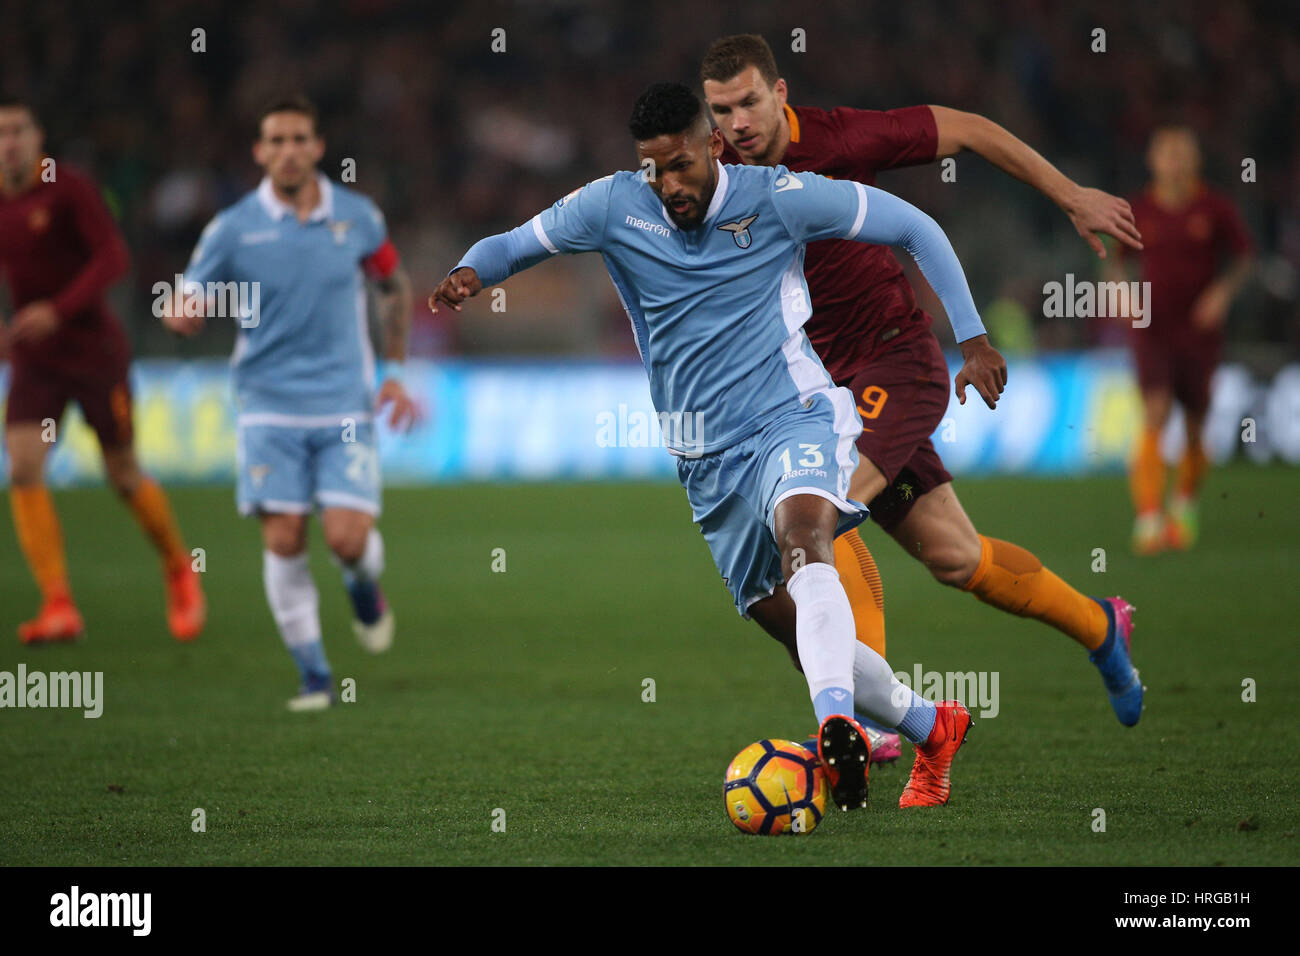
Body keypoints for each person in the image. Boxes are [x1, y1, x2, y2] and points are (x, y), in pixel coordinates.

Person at [431, 83, 997, 809]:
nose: (668, 185)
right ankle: (933, 723)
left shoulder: (780, 196)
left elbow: (914, 226)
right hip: (705, 461)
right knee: (791, 628)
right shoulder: (612, 204)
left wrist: (973, 335)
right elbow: (514, 244)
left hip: (790, 417)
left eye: (680, 166)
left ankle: (833, 727)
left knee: (805, 537)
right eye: (653, 169)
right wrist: (473, 272)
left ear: (711, 146)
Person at [699, 34, 1144, 733]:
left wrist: (1069, 196)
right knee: (956, 557)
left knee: (818, 509)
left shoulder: (843, 139)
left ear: (779, 95)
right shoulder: (713, 175)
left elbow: (966, 129)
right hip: (817, 393)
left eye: (750, 102)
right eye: (721, 111)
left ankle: (871, 724)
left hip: (892, 362)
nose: (738, 124)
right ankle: (1099, 626)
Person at [164, 95, 416, 710]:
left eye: (299, 138)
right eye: (275, 140)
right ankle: (314, 677)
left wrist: (396, 371)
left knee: (348, 541)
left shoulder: (357, 216)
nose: (287, 151)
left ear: (318, 147)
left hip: (345, 407)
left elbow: (393, 285)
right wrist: (182, 310)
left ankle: (364, 588)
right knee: (283, 539)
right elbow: (188, 291)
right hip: (266, 405)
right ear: (259, 152)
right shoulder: (231, 227)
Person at [0, 94, 205, 644]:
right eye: (1, 133)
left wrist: (57, 310)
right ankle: (58, 604)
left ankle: (178, 568)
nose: (10, 142)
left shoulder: (67, 188)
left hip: (94, 355)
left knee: (123, 475)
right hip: (36, 362)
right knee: (23, 467)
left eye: (19, 129)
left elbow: (114, 256)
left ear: (38, 137)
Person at [1113, 125, 1253, 554]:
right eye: (1166, 153)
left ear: (1195, 161)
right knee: (1154, 414)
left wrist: (1221, 294)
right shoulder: (1138, 209)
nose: (1174, 161)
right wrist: (1122, 294)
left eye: (1182, 153)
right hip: (1152, 329)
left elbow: (1244, 257)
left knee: (1194, 426)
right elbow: (1116, 263)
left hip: (1199, 332)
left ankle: (1185, 502)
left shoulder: (1215, 208)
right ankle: (1150, 517)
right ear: (1153, 161)